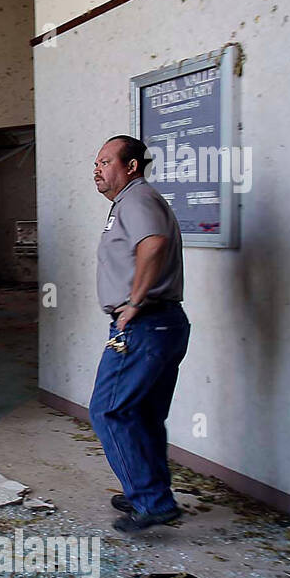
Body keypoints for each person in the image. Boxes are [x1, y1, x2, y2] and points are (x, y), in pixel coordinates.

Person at [88, 135, 189, 532]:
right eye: (96, 163)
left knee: (108, 410)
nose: (97, 169)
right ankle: (149, 493)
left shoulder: (137, 199)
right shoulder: (130, 202)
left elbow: (154, 243)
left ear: (131, 166)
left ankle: (151, 501)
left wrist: (133, 301)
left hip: (144, 323)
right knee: (142, 414)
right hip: (161, 323)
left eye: (105, 161)